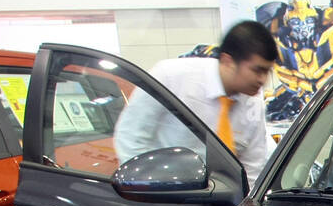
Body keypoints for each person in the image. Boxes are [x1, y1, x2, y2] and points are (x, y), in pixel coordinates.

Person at [113, 21, 278, 185]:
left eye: (267, 71)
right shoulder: (170, 77)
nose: (263, 80)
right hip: (166, 191)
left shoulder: (253, 101)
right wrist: (146, 187)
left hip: (222, 198)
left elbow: (253, 165)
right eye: (258, 71)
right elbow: (130, 137)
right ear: (228, 61)